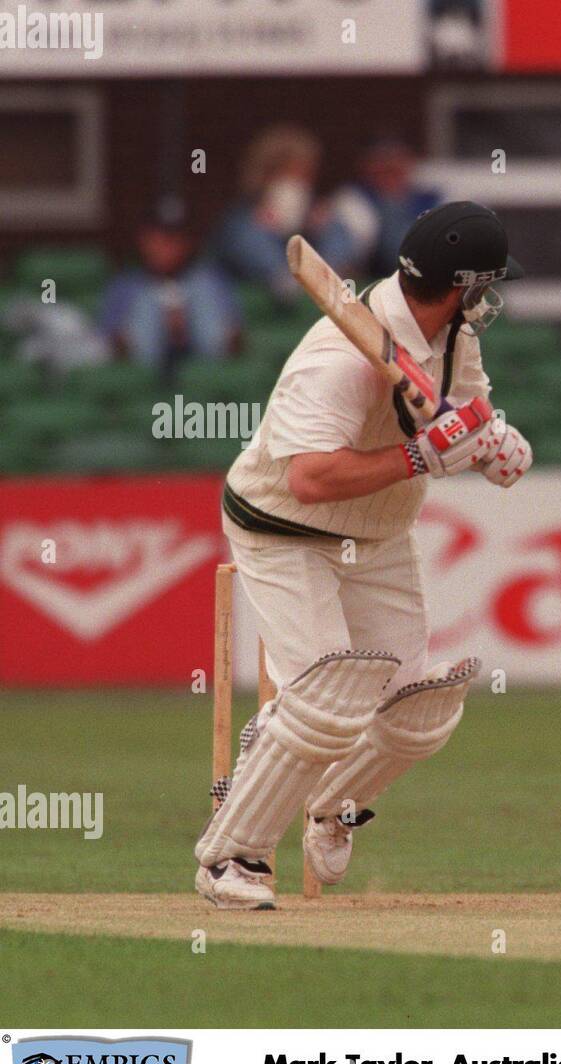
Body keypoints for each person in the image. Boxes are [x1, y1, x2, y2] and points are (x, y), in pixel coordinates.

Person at [194, 201, 532, 910]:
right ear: (462, 284)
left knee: (420, 713)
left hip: (376, 536)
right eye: (485, 284)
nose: (488, 299)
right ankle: (231, 859)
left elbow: (462, 418)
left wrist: (494, 446)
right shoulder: (338, 355)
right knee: (325, 707)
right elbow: (309, 479)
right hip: (282, 525)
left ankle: (333, 808)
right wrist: (418, 455)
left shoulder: (450, 339)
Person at [210, 125, 352, 302]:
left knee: (334, 226)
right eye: (290, 173)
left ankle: (325, 278)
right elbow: (237, 247)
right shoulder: (243, 216)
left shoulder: (311, 208)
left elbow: (343, 242)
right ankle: (285, 281)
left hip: (312, 276)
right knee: (250, 232)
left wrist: (315, 223)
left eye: (304, 174)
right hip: (266, 280)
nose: (297, 182)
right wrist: (269, 225)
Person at [101, 199, 241, 369]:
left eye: (173, 239)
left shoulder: (210, 280)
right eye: (156, 237)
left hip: (206, 364)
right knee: (147, 299)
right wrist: (162, 324)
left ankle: (210, 383)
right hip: (143, 367)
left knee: (202, 287)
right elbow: (107, 342)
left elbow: (234, 339)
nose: (164, 246)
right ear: (143, 239)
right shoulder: (126, 284)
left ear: (188, 242)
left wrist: (186, 323)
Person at [330, 135, 442, 280]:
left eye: (396, 163)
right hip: (374, 278)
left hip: (428, 277)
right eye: (382, 164)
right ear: (367, 167)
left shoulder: (428, 199)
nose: (390, 170)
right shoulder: (354, 200)